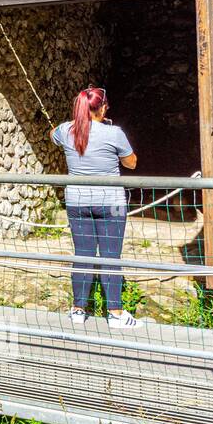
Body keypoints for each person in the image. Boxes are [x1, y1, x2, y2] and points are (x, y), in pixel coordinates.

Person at [52, 86, 141, 329]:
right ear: (101, 108)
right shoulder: (114, 133)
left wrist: (78, 121)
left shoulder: (65, 131)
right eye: (105, 106)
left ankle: (78, 310)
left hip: (77, 201)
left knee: (83, 255)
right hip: (109, 202)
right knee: (111, 257)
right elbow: (131, 163)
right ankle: (115, 312)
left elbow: (53, 134)